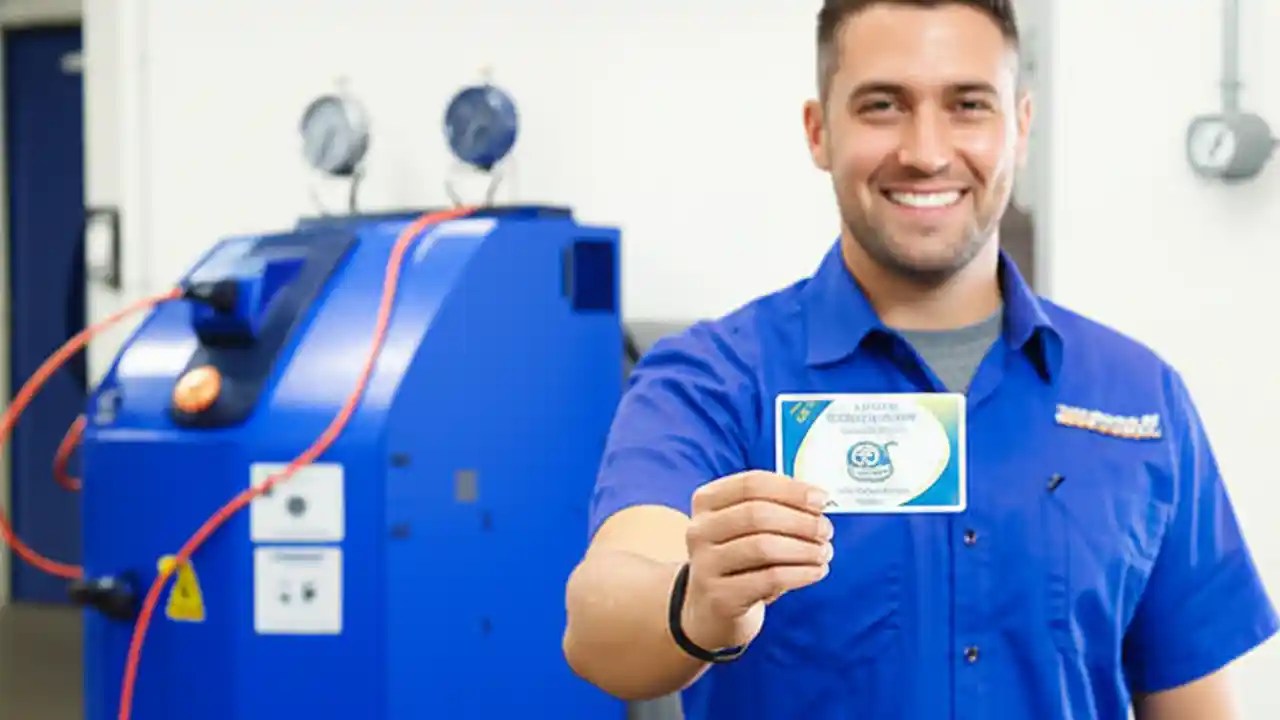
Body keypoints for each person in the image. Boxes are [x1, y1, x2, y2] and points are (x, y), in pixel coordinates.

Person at [561, 1, 1279, 718]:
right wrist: (699, 603)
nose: (927, 151)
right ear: (819, 131)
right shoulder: (713, 382)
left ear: (1020, 127)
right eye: (882, 105)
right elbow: (600, 623)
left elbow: (1193, 699)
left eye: (968, 105)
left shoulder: (1137, 397)